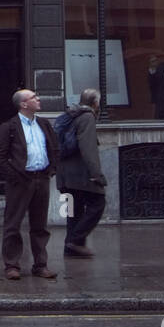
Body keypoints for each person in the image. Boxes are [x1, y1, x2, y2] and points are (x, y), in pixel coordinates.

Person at [0, 88, 59, 280]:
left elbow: (54, 147)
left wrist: (51, 170)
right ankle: (12, 265)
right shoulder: (9, 127)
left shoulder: (44, 124)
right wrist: (15, 177)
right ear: (23, 104)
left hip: (42, 178)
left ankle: (41, 265)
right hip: (20, 181)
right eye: (33, 97)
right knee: (13, 224)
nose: (38, 99)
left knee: (40, 225)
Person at [55, 87, 106, 258]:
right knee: (98, 203)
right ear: (95, 102)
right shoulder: (87, 117)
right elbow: (88, 148)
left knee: (73, 211)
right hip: (80, 174)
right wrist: (97, 174)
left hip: (65, 174)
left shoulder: (72, 114)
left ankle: (70, 248)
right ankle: (75, 241)